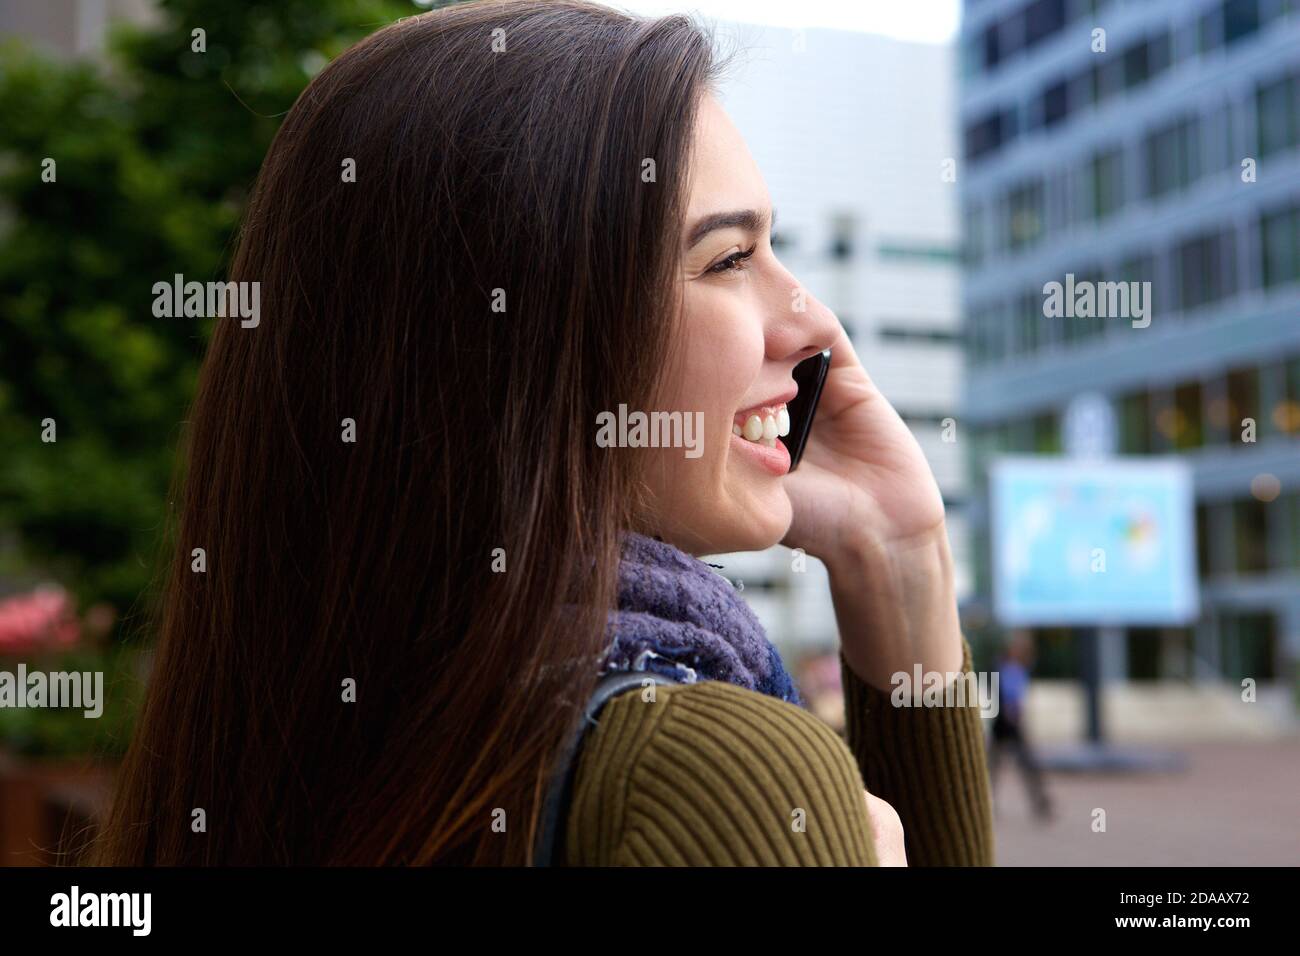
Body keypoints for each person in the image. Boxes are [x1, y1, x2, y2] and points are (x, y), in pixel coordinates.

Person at [90, 0, 993, 866]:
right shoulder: (704, 768)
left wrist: (891, 547)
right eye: (727, 258)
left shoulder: (306, 704)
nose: (813, 326)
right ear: (520, 340)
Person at [989, 632, 1054, 822]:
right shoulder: (1001, 666)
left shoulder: (1019, 668)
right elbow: (1001, 693)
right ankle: (984, 804)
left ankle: (1041, 802)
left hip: (1014, 724)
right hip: (1002, 724)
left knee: (1026, 764)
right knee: (993, 768)